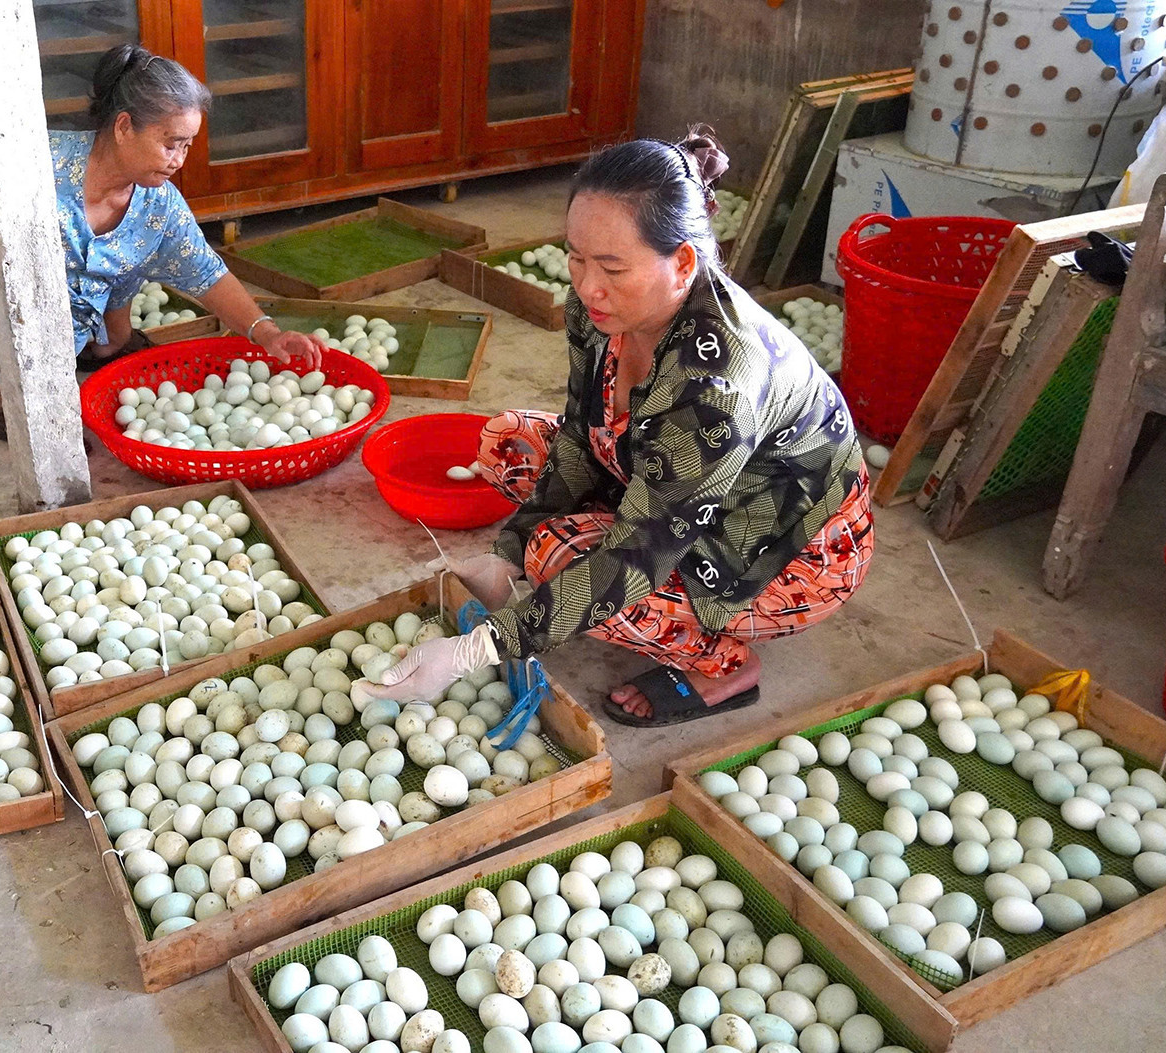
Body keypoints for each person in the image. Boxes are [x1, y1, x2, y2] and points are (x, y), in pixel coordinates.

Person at [371, 132, 874, 727]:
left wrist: (472, 652)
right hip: (690, 485)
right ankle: (556, 563)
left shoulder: (718, 383)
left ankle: (725, 666)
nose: (586, 286)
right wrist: (505, 555)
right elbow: (583, 429)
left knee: (561, 555)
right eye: (576, 258)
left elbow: (641, 556)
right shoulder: (601, 306)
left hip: (791, 544)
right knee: (512, 442)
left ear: (683, 262)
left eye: (612, 267)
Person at [0, 45, 321, 438]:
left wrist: (267, 333)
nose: (179, 160)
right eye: (170, 144)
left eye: (187, 145)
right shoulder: (43, 160)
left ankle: (104, 345)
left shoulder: (157, 203)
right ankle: (28, 405)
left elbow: (206, 273)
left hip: (72, 317)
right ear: (123, 127)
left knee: (134, 258)